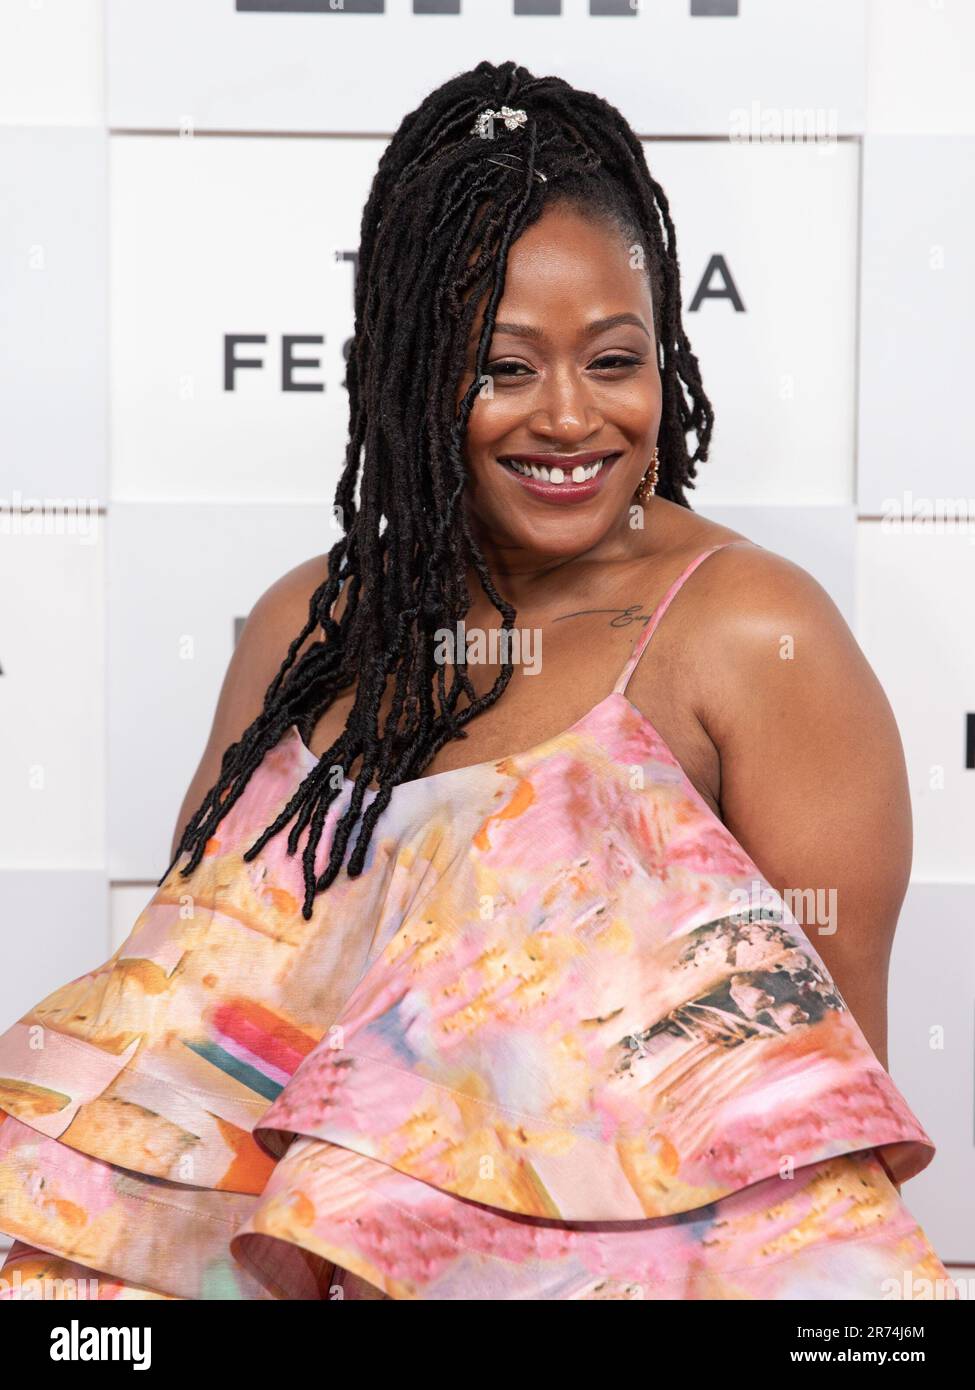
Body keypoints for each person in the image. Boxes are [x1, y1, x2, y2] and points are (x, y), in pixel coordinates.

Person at [0, 60, 952, 1301]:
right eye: (504, 368)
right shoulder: (314, 625)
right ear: (407, 368)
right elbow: (188, 1049)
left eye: (614, 360)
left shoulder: (749, 632)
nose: (570, 418)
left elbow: (822, 1143)